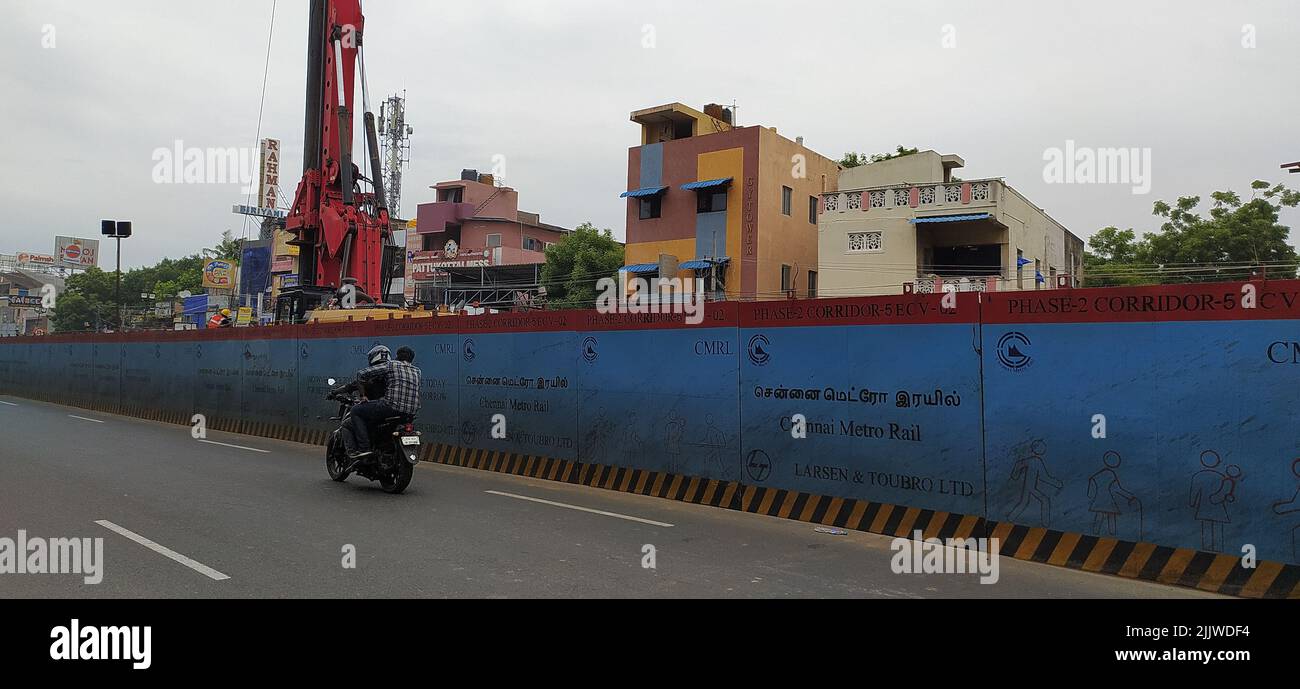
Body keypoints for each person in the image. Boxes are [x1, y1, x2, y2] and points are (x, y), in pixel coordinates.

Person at [337, 344, 422, 461]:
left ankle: (364, 448)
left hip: (389, 407)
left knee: (355, 411)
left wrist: (362, 396)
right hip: (411, 412)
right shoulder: (417, 371)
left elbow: (360, 375)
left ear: (397, 357)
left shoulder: (391, 366)